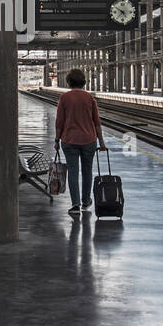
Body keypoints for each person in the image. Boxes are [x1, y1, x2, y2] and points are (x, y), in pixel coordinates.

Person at [54, 68, 107, 217]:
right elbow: (97, 122)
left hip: (69, 140)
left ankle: (75, 204)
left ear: (69, 82)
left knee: (73, 171)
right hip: (89, 140)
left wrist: (57, 140)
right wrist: (101, 142)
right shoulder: (90, 98)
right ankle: (86, 200)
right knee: (87, 171)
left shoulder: (64, 98)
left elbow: (59, 122)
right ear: (83, 82)